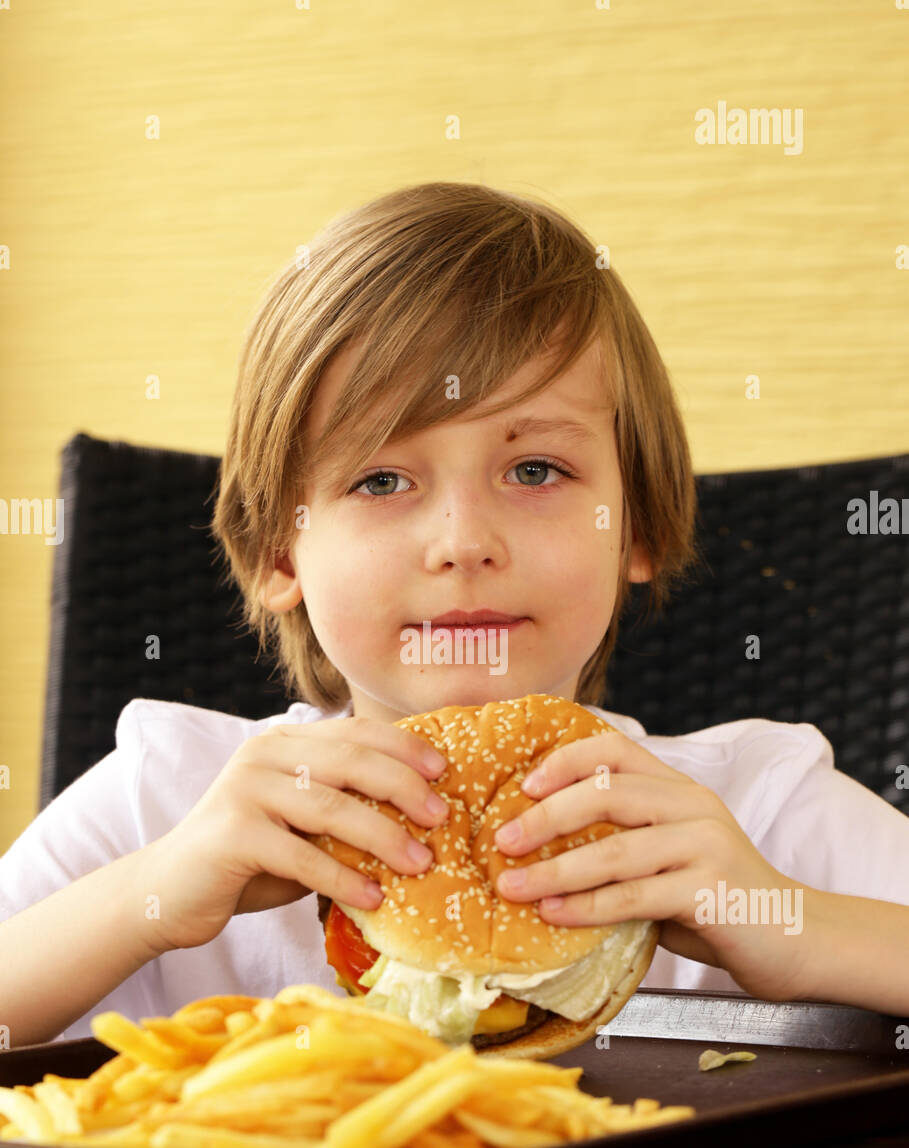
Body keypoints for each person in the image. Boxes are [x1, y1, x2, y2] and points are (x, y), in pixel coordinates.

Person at [2, 181, 908, 1048]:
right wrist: (145, 900)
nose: (462, 541)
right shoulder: (166, 797)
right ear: (281, 550)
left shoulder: (758, 810)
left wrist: (795, 923)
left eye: (535, 471)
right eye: (381, 479)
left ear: (635, 524)